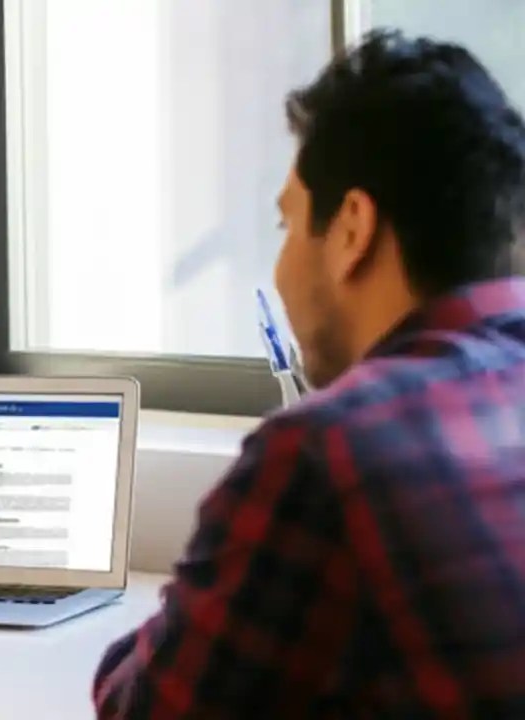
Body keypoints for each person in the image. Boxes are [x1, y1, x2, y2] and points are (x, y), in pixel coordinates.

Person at [93, 30, 525, 717]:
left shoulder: (328, 452)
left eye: (287, 225)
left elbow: (146, 707)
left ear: (353, 228)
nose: (282, 265)